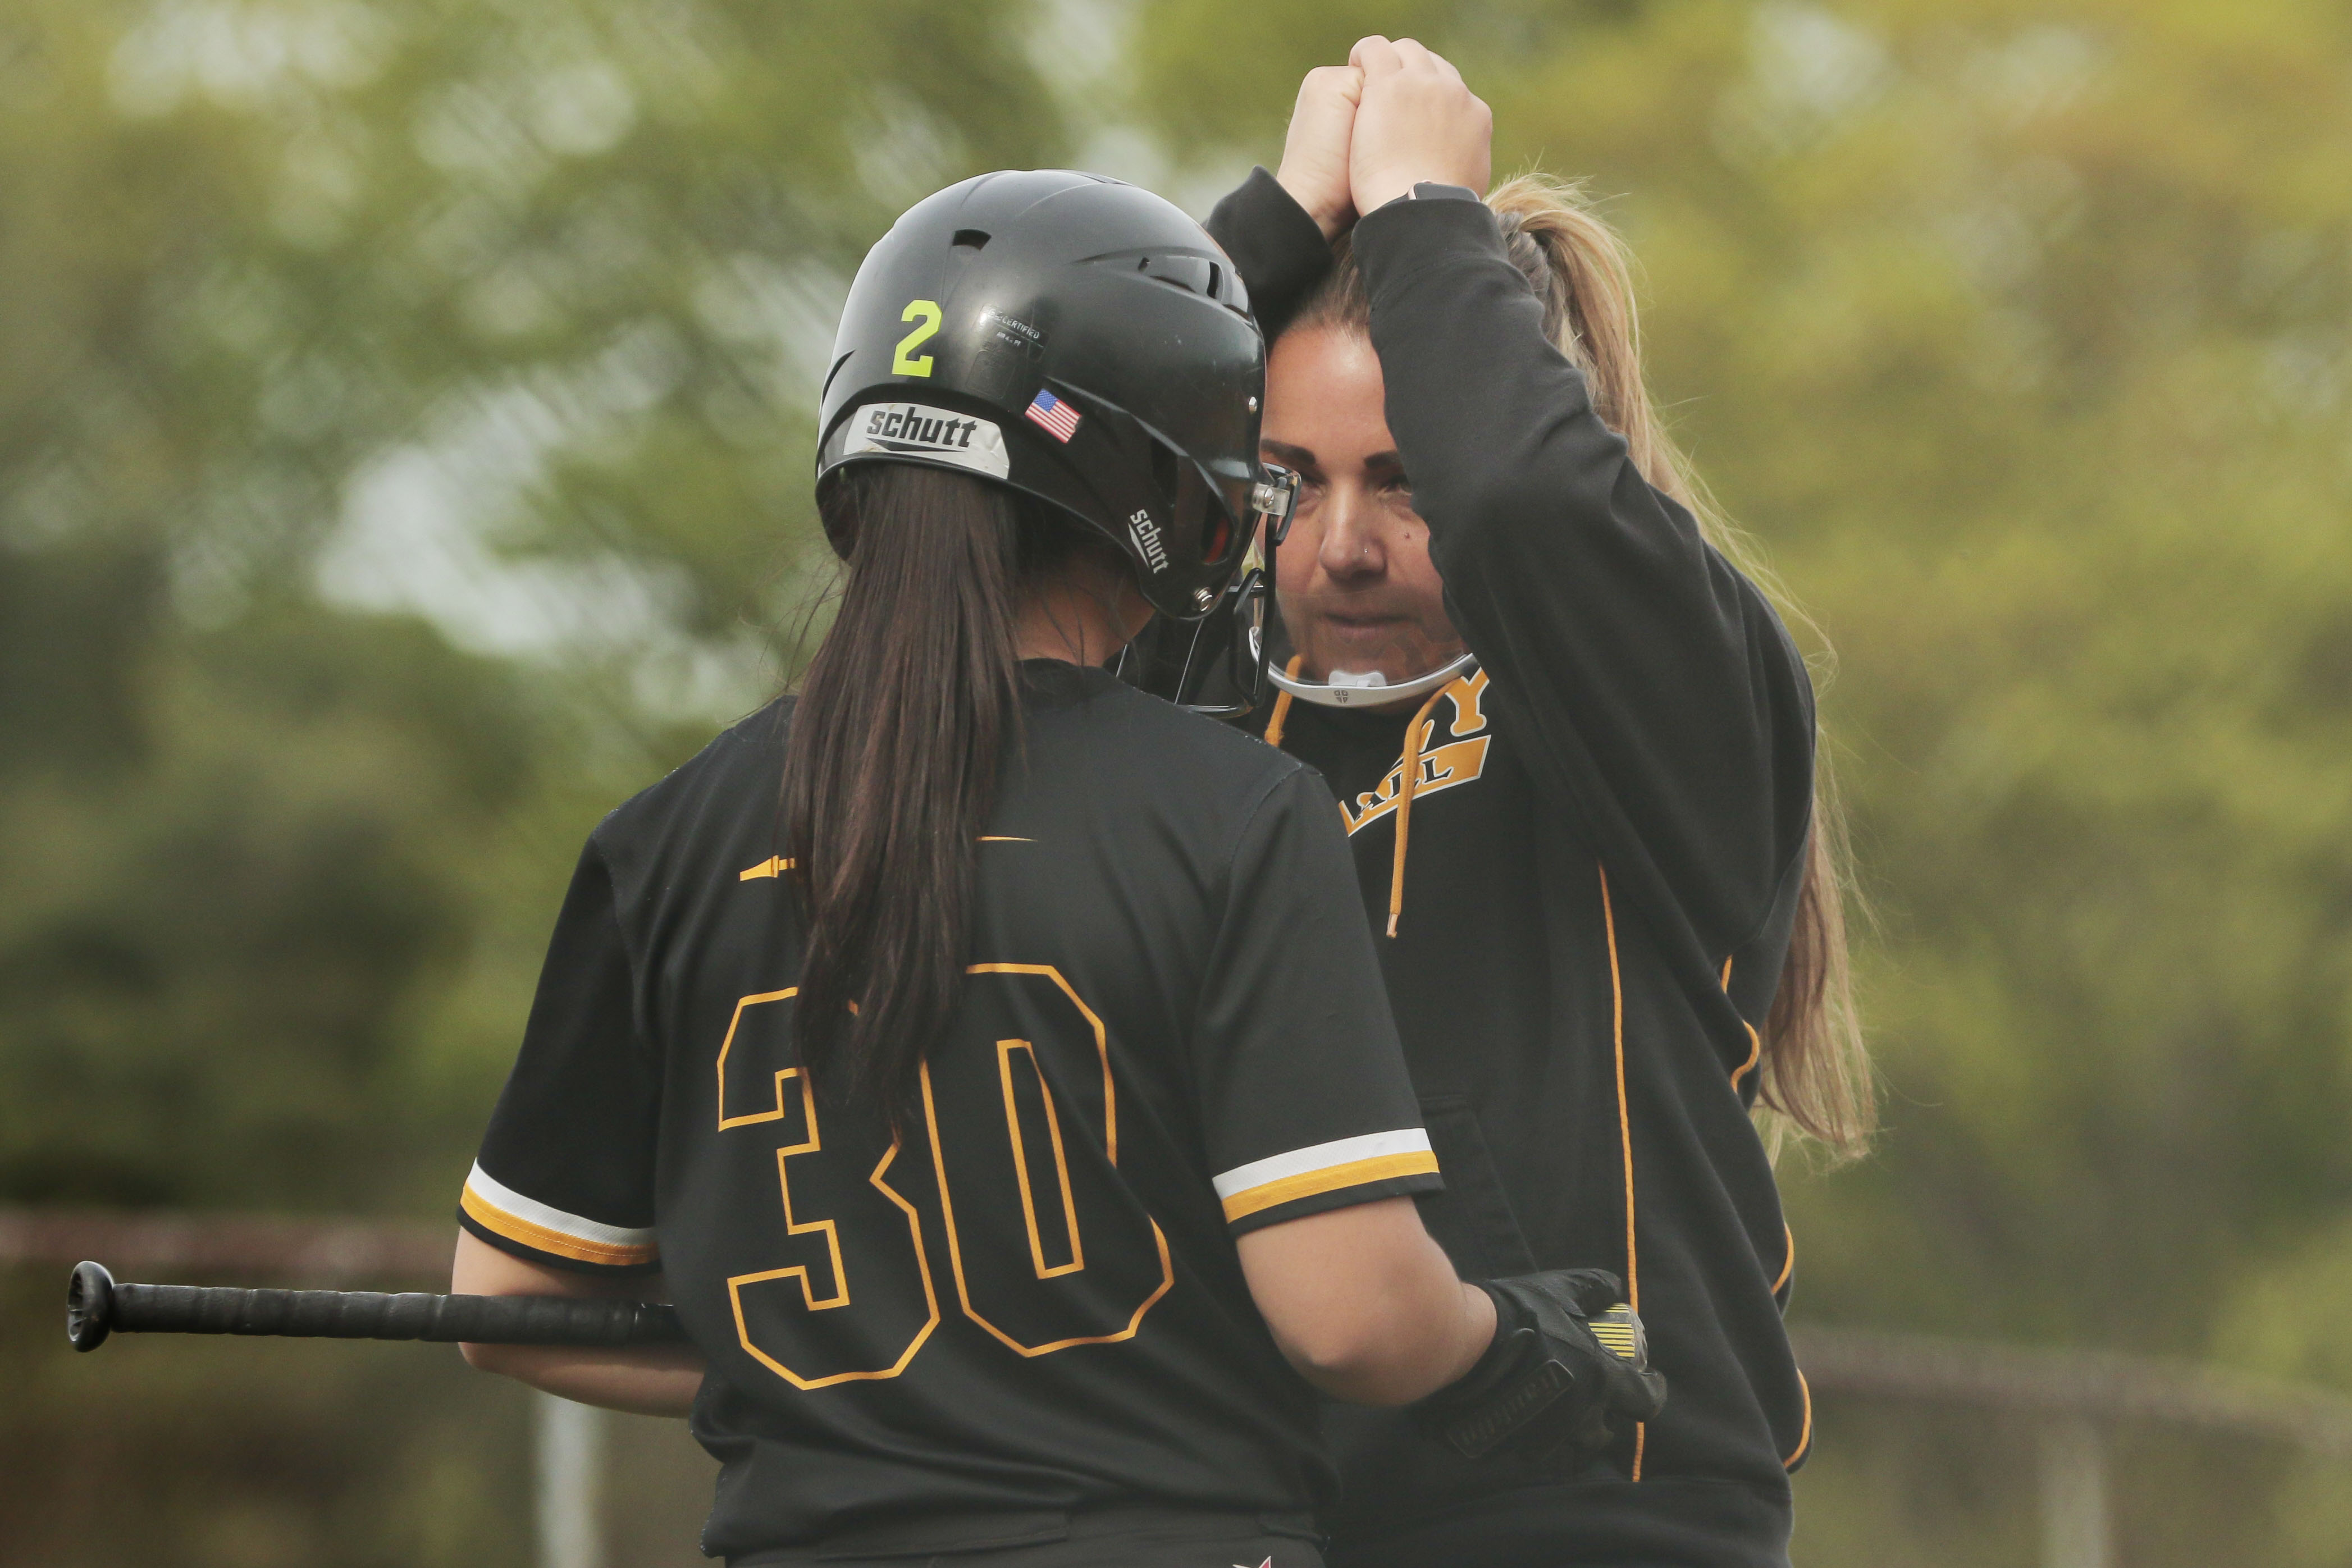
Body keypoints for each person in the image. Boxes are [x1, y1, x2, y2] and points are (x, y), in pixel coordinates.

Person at [447, 169, 1661, 1567]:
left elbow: (506, 1295)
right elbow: (1349, 1314)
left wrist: (844, 1376)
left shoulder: (666, 836)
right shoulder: (1232, 810)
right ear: (1164, 488)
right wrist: (1517, 1334)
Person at [1192, 40, 1875, 1568]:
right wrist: (1256, 241)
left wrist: (1424, 209)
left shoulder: (1659, 677)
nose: (1339, 547)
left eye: (1401, 477)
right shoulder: (1205, 718)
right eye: (1287, 482)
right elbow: (994, 559)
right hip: (1270, 1516)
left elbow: (1525, 503)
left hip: (1593, 1505)